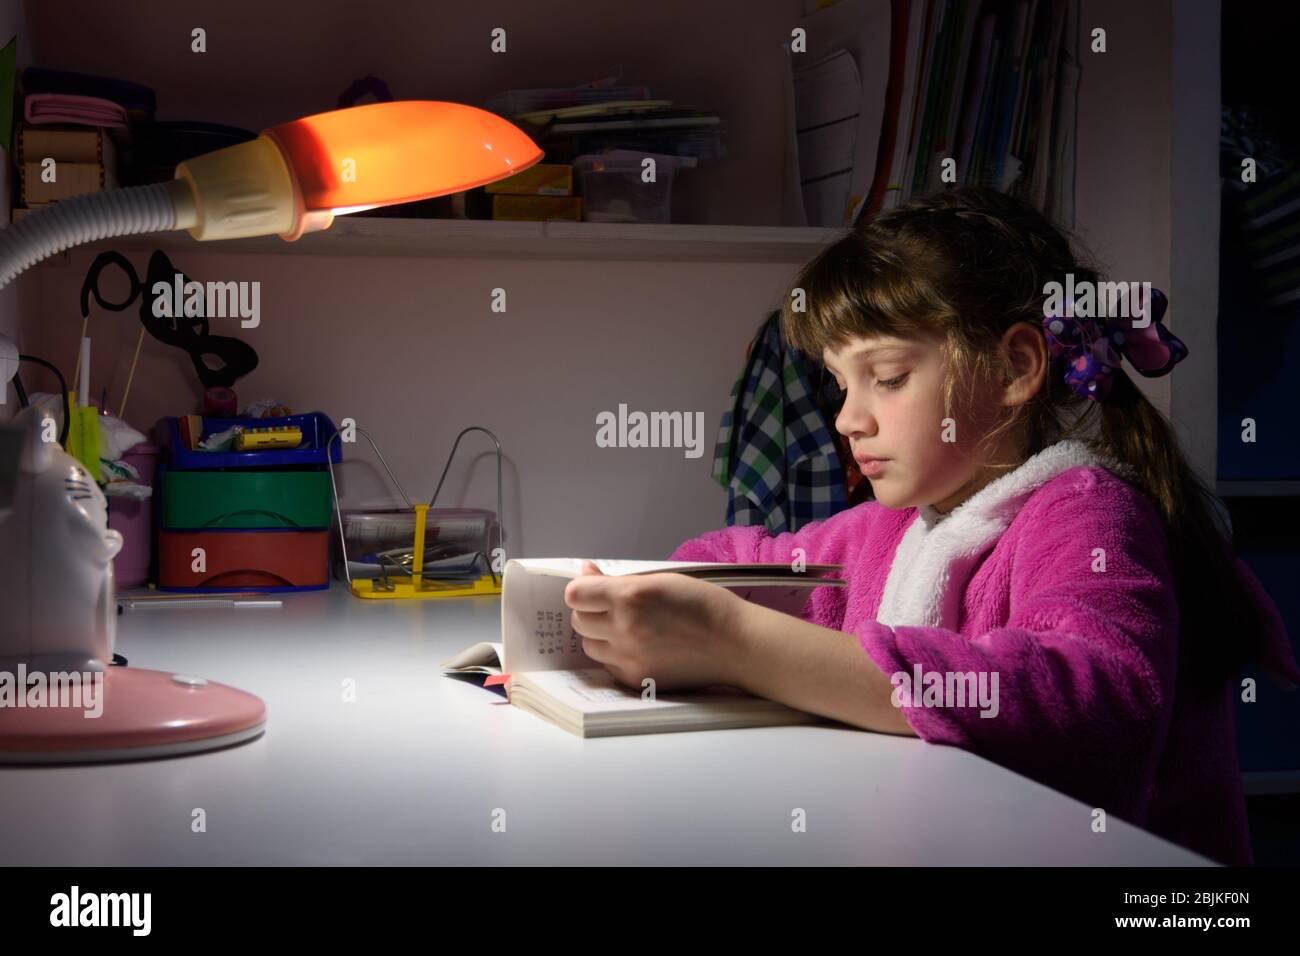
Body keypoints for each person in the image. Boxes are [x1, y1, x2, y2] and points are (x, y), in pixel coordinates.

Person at [563, 186, 1300, 865]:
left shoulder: (1090, 514)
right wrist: (653, 593)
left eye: (886, 378)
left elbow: (1091, 703)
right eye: (840, 384)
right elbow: (750, 558)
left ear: (1014, 366)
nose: (849, 419)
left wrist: (736, 640)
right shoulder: (890, 531)